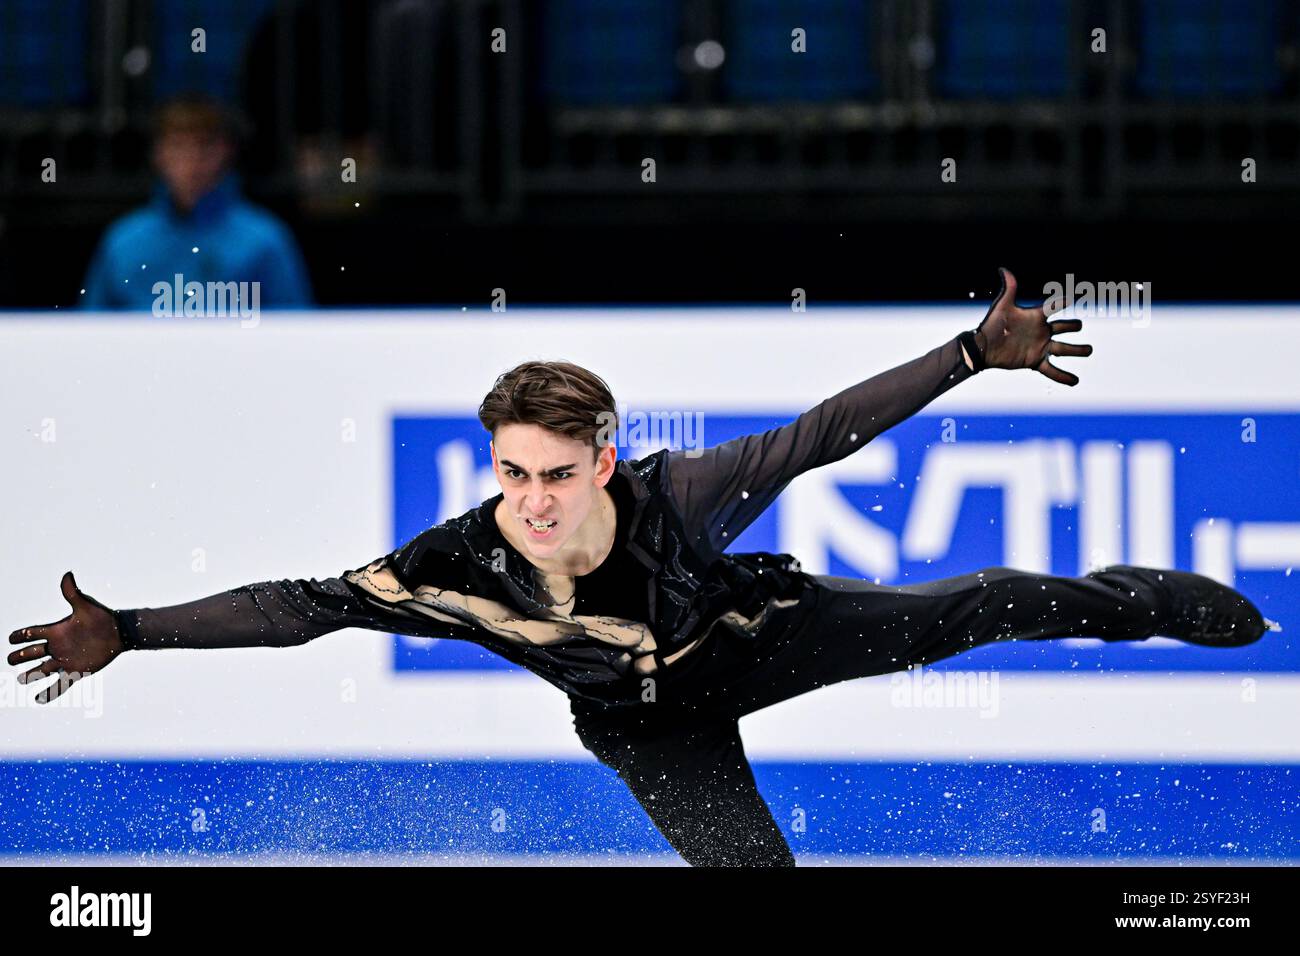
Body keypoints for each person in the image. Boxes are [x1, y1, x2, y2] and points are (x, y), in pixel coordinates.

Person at [9, 268, 1276, 865]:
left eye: (556, 473)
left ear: (602, 457)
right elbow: (303, 607)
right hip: (643, 729)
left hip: (761, 632)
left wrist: (966, 352)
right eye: (512, 474)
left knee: (987, 599)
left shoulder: (679, 495)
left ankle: (1160, 605)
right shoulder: (457, 563)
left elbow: (825, 430)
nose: (534, 501)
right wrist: (129, 624)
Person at [80, 95, 313, 311]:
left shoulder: (265, 240)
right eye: (178, 146)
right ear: (158, 153)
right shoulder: (123, 241)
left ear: (226, 151)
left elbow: (296, 332)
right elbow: (90, 333)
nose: (192, 161)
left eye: (204, 147)